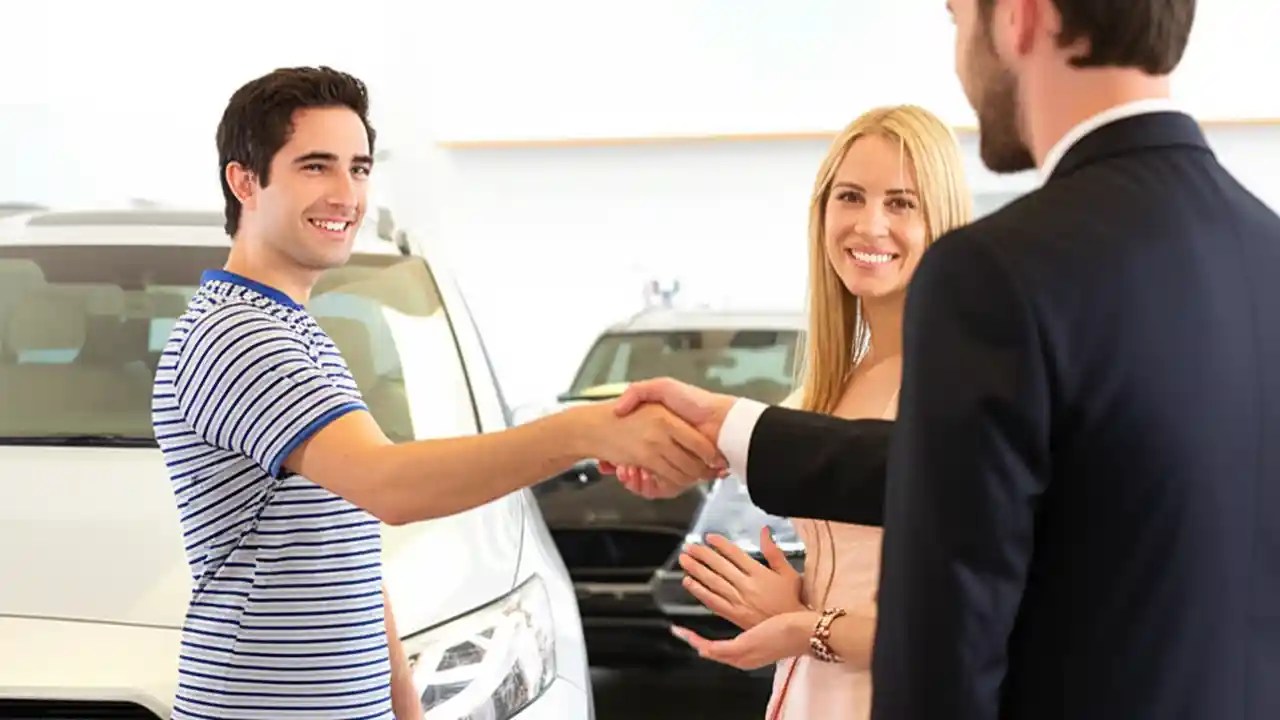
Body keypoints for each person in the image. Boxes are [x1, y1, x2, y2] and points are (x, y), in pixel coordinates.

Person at [610, 0, 1280, 717]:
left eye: (958, 16)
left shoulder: (998, 272)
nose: (960, 50)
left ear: (1019, 18)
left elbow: (948, 652)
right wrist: (733, 427)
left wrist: (812, 626)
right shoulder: (1264, 252)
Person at [151, 66, 724, 720]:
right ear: (244, 180)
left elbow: (348, 558)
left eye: (360, 168)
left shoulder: (294, 330)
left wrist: (404, 709)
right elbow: (391, 486)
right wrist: (585, 431)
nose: (346, 194)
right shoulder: (239, 335)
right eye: (316, 166)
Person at [664, 105, 972, 719]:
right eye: (851, 196)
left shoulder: (952, 383)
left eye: (902, 203)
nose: (870, 224)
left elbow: (964, 630)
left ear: (943, 218)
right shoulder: (835, 382)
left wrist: (807, 626)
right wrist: (800, 599)